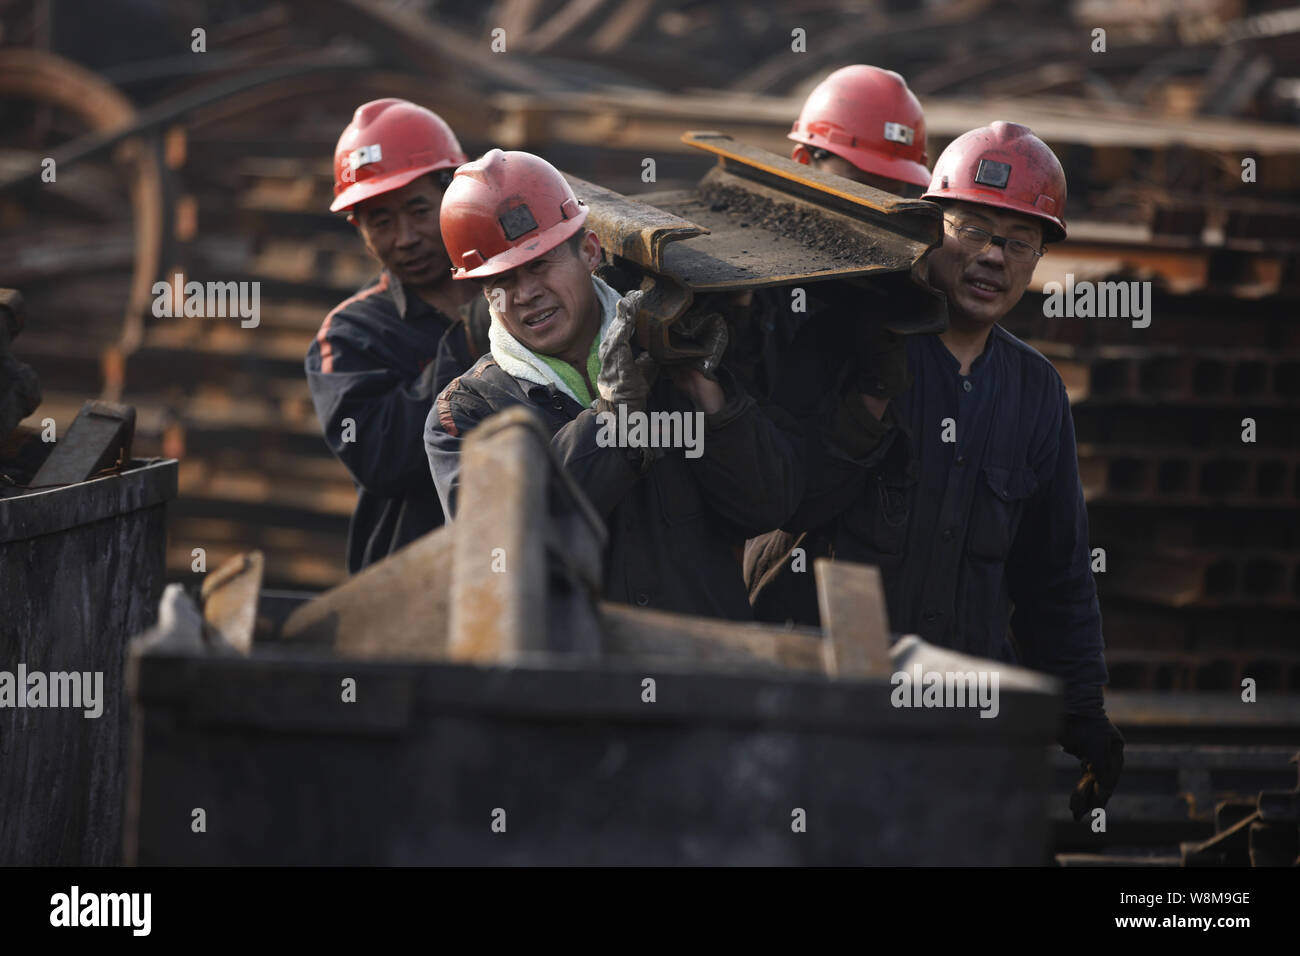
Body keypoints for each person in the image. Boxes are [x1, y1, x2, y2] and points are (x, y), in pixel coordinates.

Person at [752, 122, 1124, 819]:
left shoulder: (1035, 392)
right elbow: (783, 505)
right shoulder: (844, 343)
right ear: (933, 227)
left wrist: (1082, 709)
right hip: (821, 709)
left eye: (1018, 242)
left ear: (1039, 258)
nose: (992, 256)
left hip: (956, 724)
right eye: (973, 228)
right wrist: (868, 391)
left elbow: (1057, 574)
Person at [424, 149, 802, 620]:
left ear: (589, 252)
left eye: (540, 264)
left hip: (705, 674)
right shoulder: (466, 413)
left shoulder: (672, 356)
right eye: (502, 280)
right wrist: (611, 419)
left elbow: (768, 507)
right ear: (483, 292)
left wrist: (710, 400)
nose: (524, 294)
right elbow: (505, 551)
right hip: (582, 688)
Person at [306, 99, 482, 573]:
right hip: (413, 583)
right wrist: (470, 341)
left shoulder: (517, 283)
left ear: (454, 194)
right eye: (382, 222)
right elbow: (379, 457)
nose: (405, 238)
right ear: (358, 229)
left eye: (418, 210)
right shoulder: (348, 337)